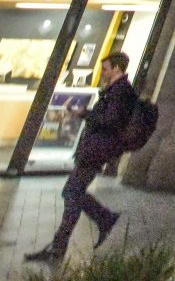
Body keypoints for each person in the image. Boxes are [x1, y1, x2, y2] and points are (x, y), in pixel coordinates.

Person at [26, 51, 137, 263]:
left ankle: (104, 218)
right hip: (94, 149)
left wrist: (84, 114)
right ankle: (58, 248)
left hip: (97, 151)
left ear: (117, 69)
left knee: (71, 192)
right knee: (73, 196)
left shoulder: (122, 92)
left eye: (106, 69)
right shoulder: (116, 90)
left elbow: (110, 121)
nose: (103, 73)